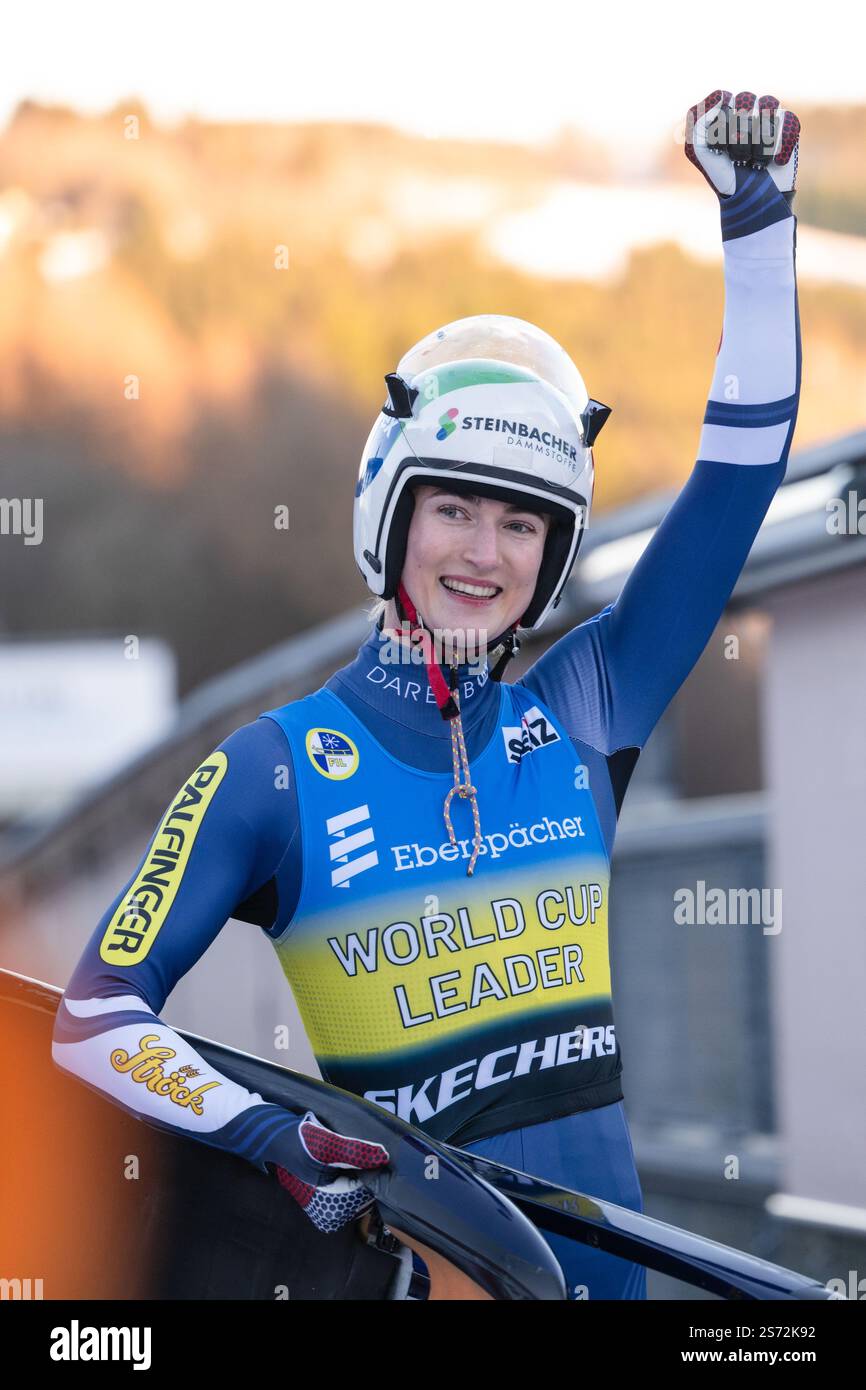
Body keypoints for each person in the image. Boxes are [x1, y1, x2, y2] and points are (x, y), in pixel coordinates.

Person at [52, 90, 801, 1300]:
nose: (483, 552)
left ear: (549, 557)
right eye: (452, 506)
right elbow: (91, 1019)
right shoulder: (270, 767)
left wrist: (756, 224)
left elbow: (740, 472)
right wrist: (270, 1135)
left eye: (521, 523)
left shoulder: (584, 708)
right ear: (387, 520)